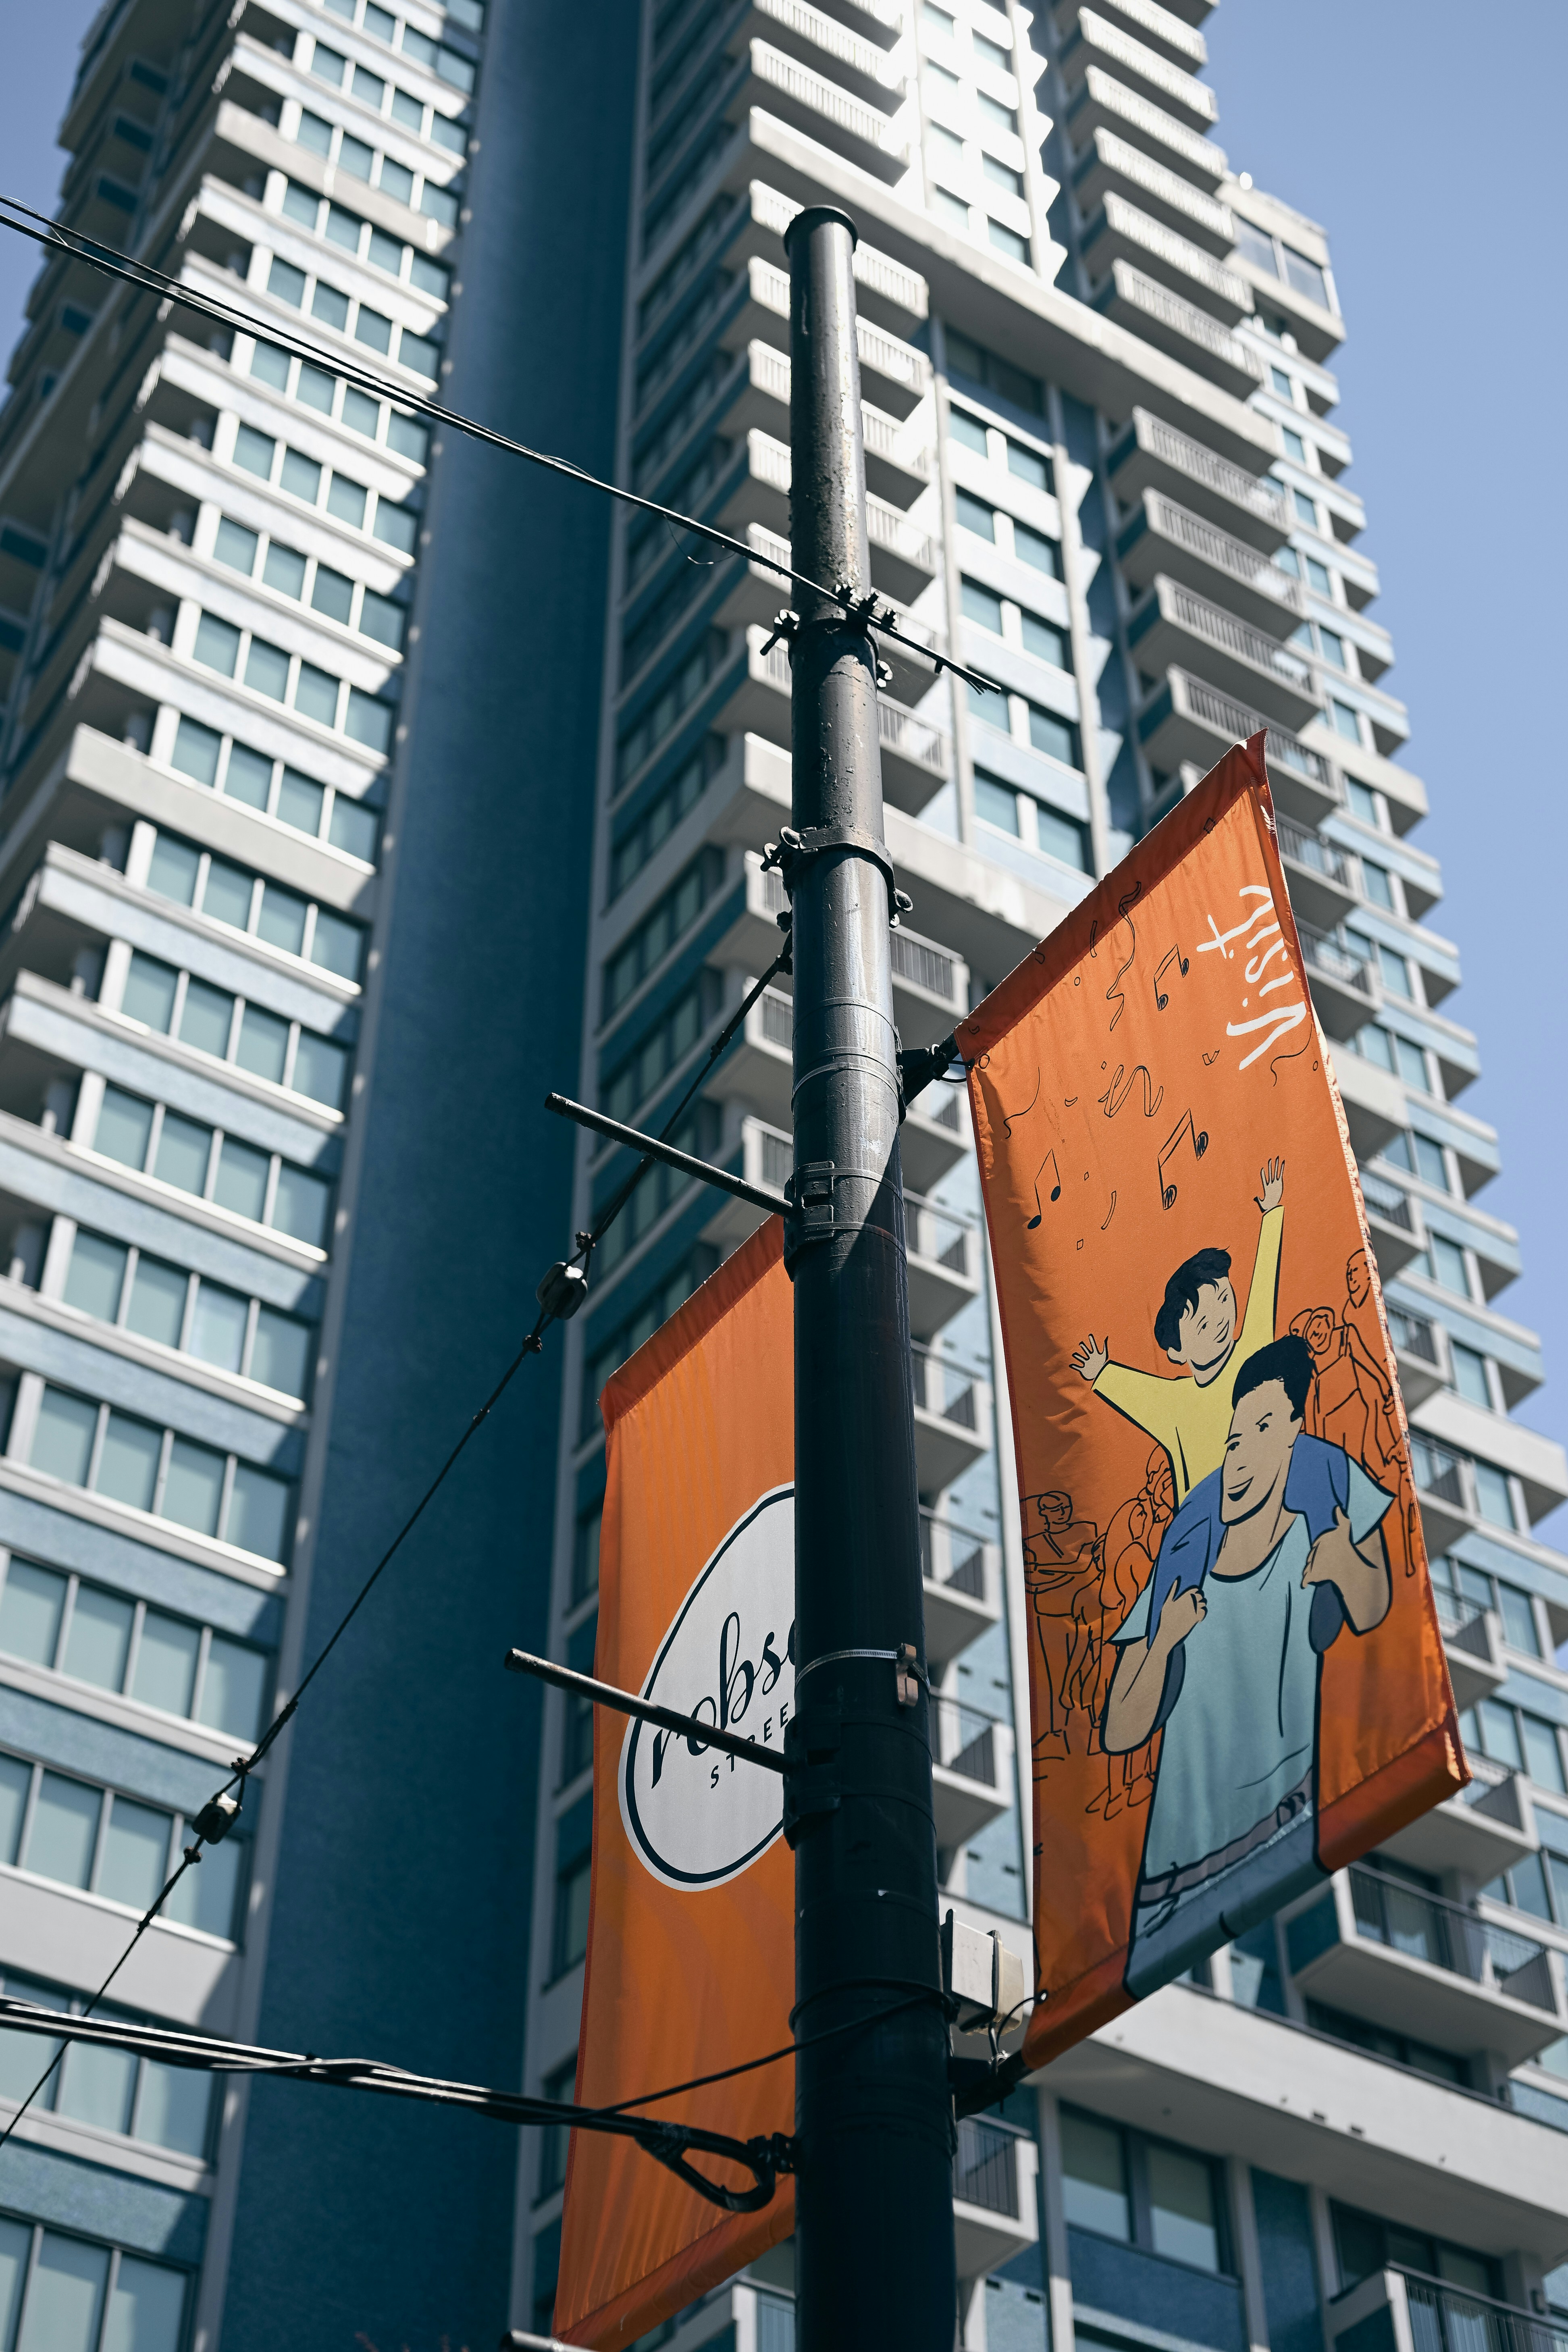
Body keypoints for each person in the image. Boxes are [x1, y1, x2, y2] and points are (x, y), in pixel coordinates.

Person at [1100, 1333, 1393, 1996]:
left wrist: (1346, 1561)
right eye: (1234, 1437)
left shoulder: (1318, 1523)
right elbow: (1121, 1729)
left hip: (1286, 1838)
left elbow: (1373, 1607)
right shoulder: (1184, 1554)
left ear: (1293, 1432)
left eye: (1262, 1428)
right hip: (1169, 1891)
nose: (1239, 1455)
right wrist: (1163, 1641)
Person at [1071, 1159, 1285, 1499]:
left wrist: (1272, 1213)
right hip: (1206, 1536)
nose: (1219, 1322)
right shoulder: (1176, 1404)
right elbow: (1137, 1393)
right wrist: (1102, 1372)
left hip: (1271, 1501)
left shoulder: (1252, 1354)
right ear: (1177, 1351)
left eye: (1225, 1300)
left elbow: (1263, 1290)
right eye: (1202, 1322)